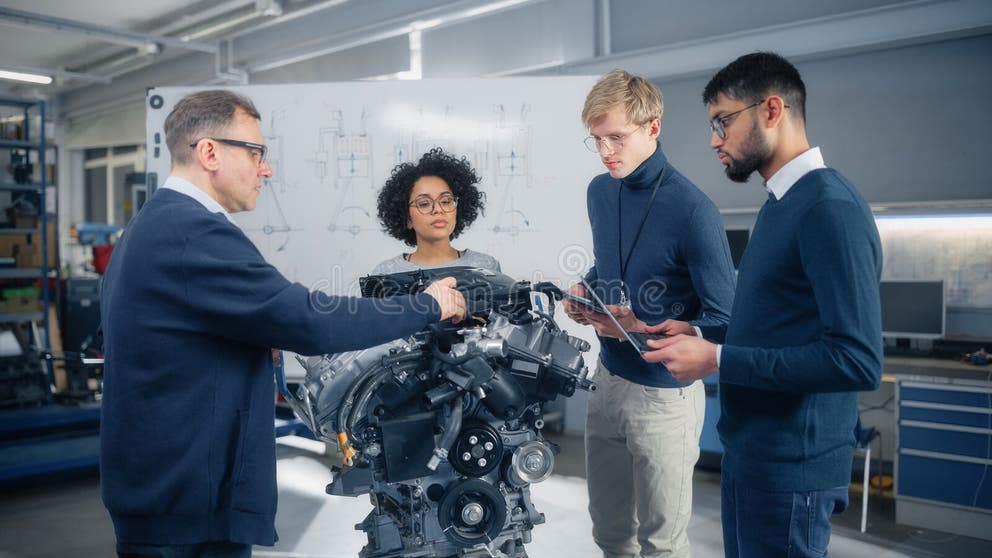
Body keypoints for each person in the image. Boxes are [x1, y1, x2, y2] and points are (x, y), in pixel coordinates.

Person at [100, 90, 466, 558]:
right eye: (256, 153)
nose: (265, 169)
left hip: (166, 487)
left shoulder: (151, 224)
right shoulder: (191, 231)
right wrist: (427, 306)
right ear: (209, 152)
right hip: (184, 500)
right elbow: (308, 320)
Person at [643, 52, 883, 557]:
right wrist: (702, 335)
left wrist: (717, 360)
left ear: (772, 109)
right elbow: (776, 326)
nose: (714, 139)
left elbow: (856, 359)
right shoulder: (780, 204)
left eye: (723, 122)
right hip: (752, 457)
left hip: (792, 469)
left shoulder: (828, 208)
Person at [561, 69, 736, 558]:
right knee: (611, 535)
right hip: (607, 380)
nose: (605, 152)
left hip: (665, 399)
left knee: (661, 546)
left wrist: (643, 325)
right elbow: (613, 265)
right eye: (597, 140)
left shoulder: (693, 209)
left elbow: (727, 317)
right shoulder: (600, 191)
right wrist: (587, 294)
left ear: (653, 127)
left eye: (617, 138)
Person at [371, 147, 500, 274]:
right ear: (407, 218)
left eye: (445, 201)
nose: (438, 210)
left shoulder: (486, 267)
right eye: (424, 204)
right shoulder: (386, 274)